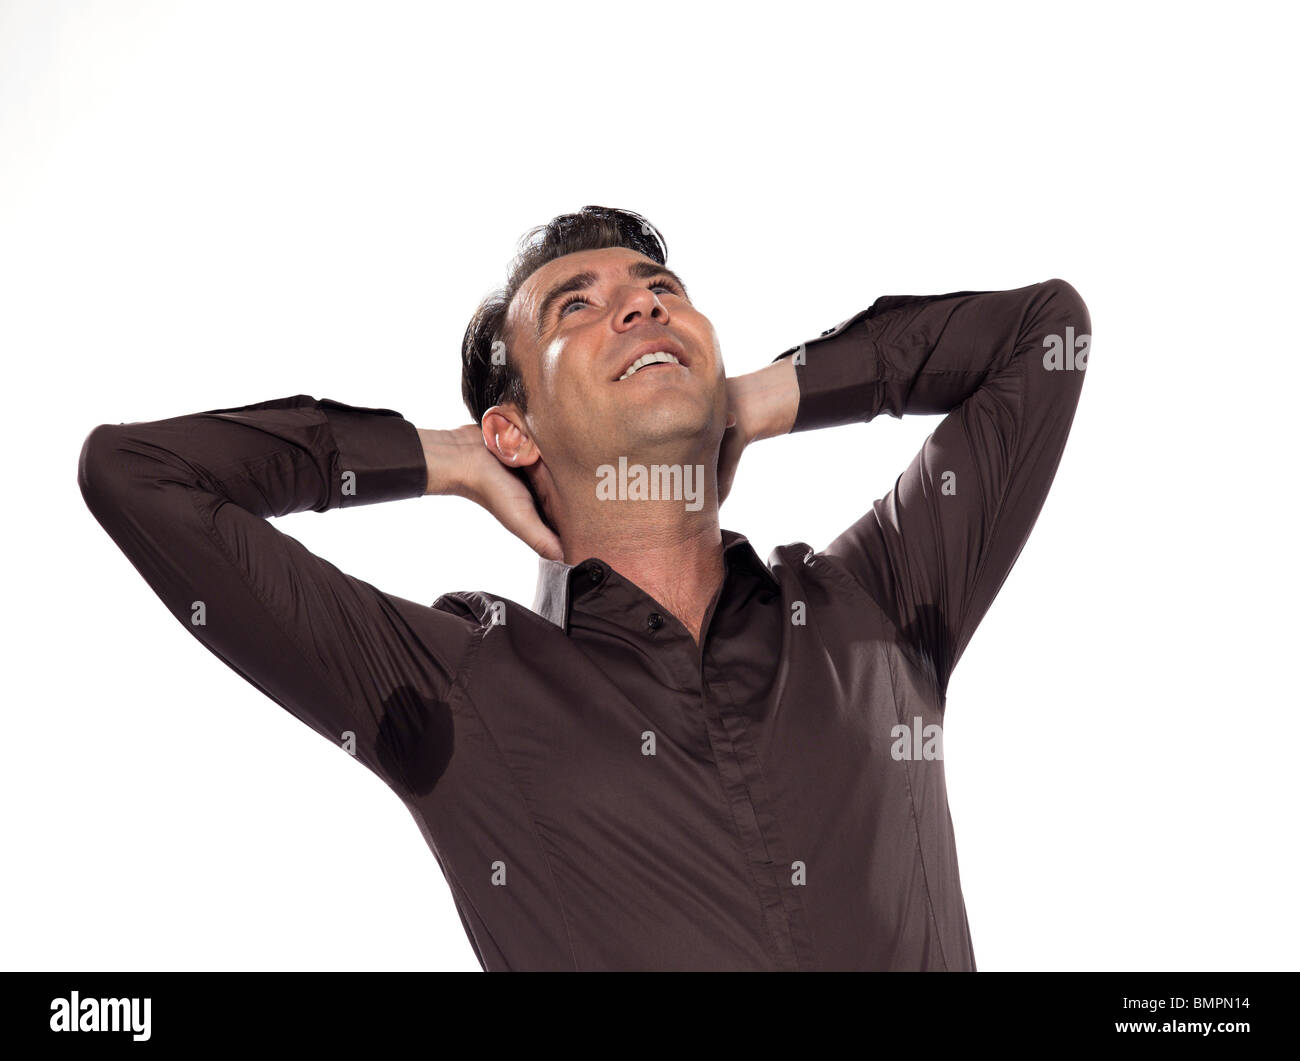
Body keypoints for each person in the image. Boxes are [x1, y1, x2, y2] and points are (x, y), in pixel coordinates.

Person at [77, 205, 1091, 971]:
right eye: (579, 307)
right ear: (512, 430)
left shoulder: (872, 599)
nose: (642, 303)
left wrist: (755, 394)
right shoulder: (454, 684)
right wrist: (445, 457)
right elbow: (139, 477)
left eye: (660, 290)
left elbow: (1044, 335)